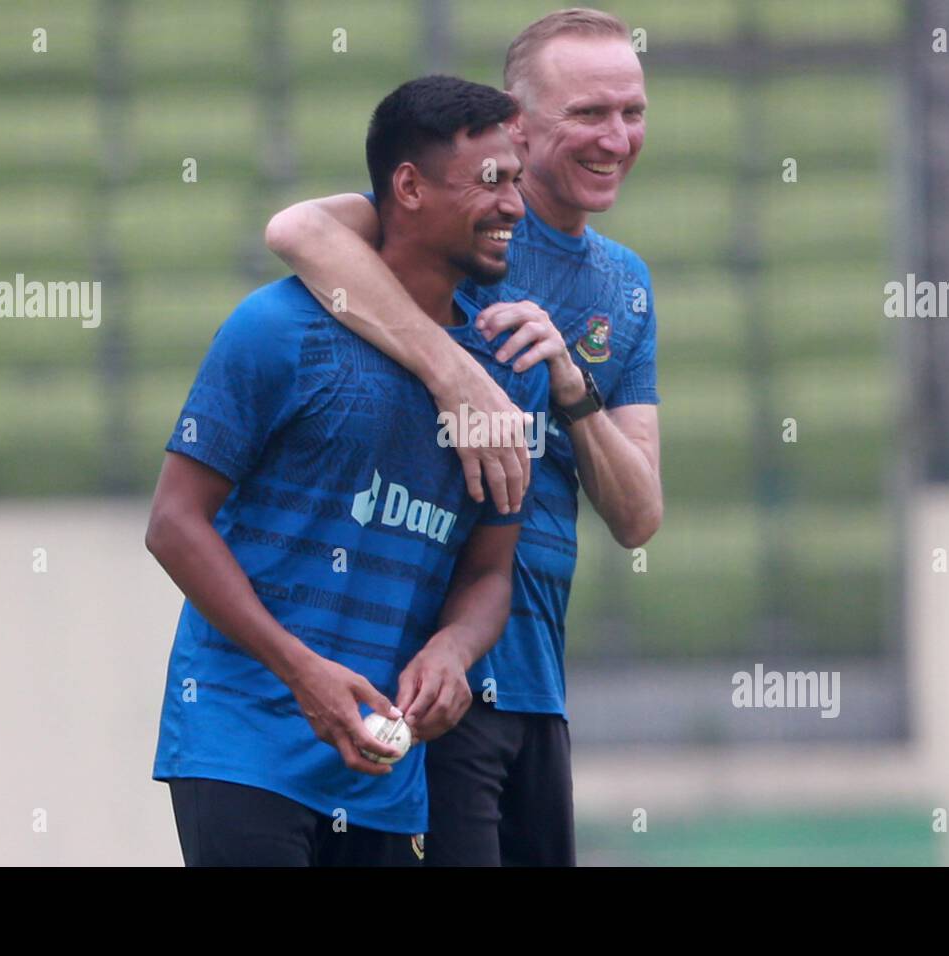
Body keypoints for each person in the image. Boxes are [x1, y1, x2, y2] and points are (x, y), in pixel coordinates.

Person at [264, 8, 661, 866]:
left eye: (631, 112)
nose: (616, 137)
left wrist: (571, 389)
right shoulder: (454, 224)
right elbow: (297, 231)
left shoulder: (626, 285)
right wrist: (457, 374)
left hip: (537, 682)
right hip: (430, 671)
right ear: (517, 126)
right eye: (588, 114)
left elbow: (639, 515)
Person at [147, 75, 549, 866]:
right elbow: (173, 524)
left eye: (518, 183)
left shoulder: (510, 373)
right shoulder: (276, 327)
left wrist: (455, 651)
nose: (514, 206)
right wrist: (301, 671)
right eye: (492, 182)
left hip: (384, 771)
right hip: (244, 739)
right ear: (409, 187)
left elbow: (489, 573)